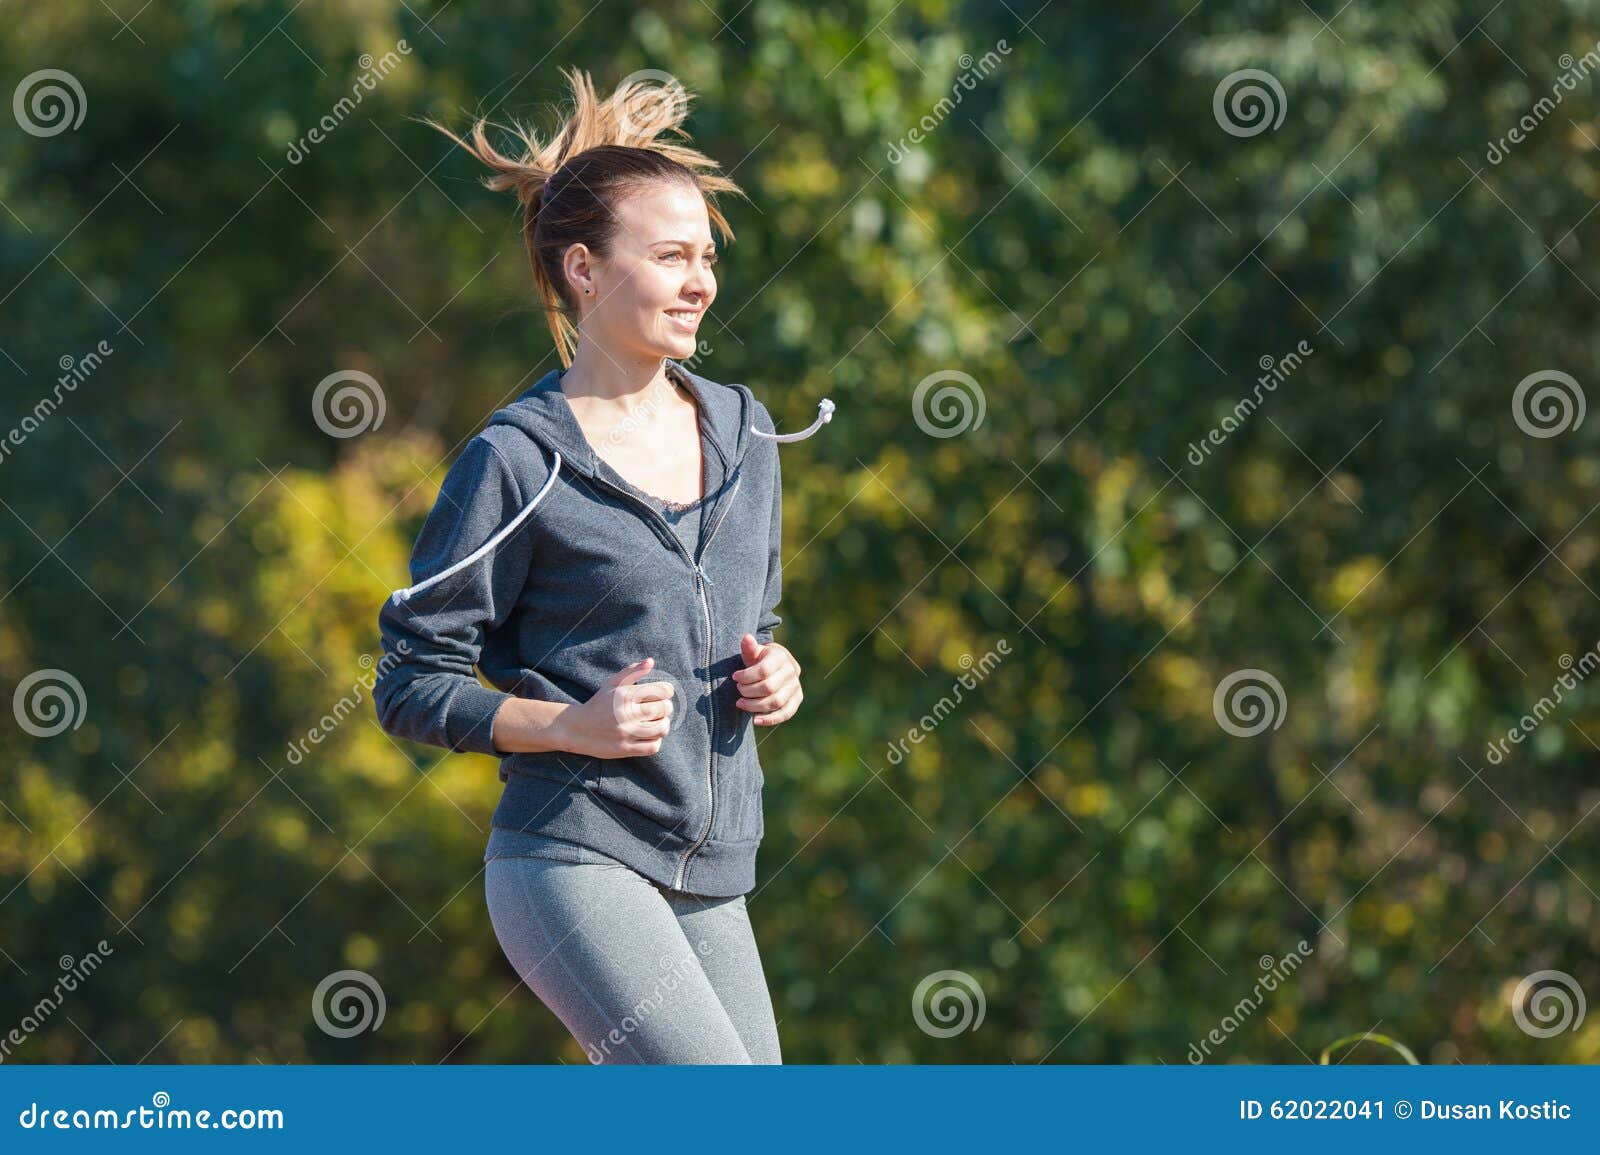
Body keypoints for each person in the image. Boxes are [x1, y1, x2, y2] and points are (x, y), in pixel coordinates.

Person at [374, 68, 815, 1064]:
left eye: (706, 257)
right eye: (669, 256)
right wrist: (572, 725)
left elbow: (752, 620)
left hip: (712, 870)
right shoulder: (517, 460)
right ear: (583, 269)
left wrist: (776, 672)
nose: (701, 282)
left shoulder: (745, 433)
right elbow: (408, 681)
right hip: (569, 855)